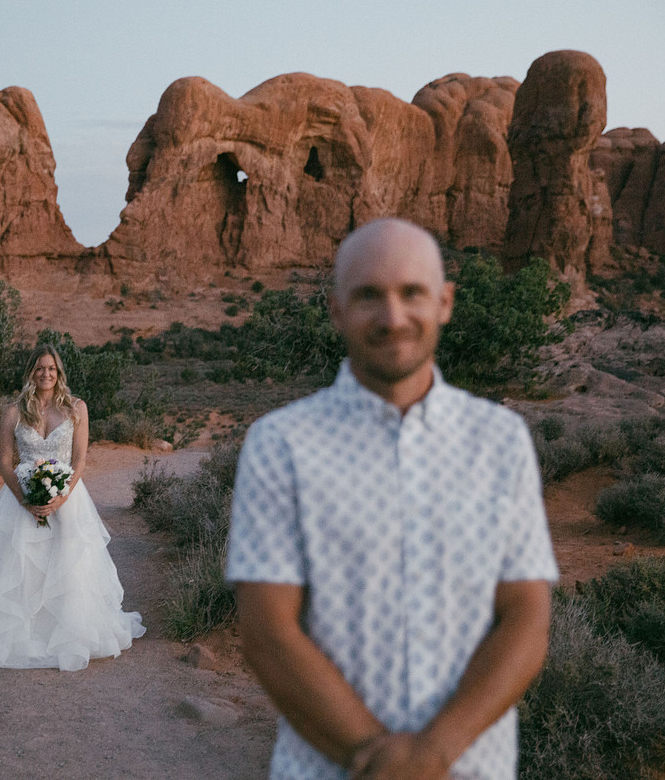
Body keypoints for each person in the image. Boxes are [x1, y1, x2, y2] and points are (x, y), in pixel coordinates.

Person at [225, 218, 557, 780]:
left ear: (445, 303)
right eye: (369, 295)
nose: (393, 317)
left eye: (412, 293)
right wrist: (373, 758)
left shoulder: (500, 440)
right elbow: (266, 631)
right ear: (336, 311)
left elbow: (526, 615)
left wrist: (433, 754)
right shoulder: (281, 443)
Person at [0, 344, 145, 670]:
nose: (46, 374)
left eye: (52, 369)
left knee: (67, 567)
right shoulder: (13, 412)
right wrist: (26, 500)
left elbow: (80, 459)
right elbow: (4, 463)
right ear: (31, 372)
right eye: (40, 368)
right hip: (21, 499)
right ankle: (20, 635)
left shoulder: (76, 408)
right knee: (19, 569)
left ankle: (67, 634)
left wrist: (62, 497)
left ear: (59, 373)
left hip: (67, 501)